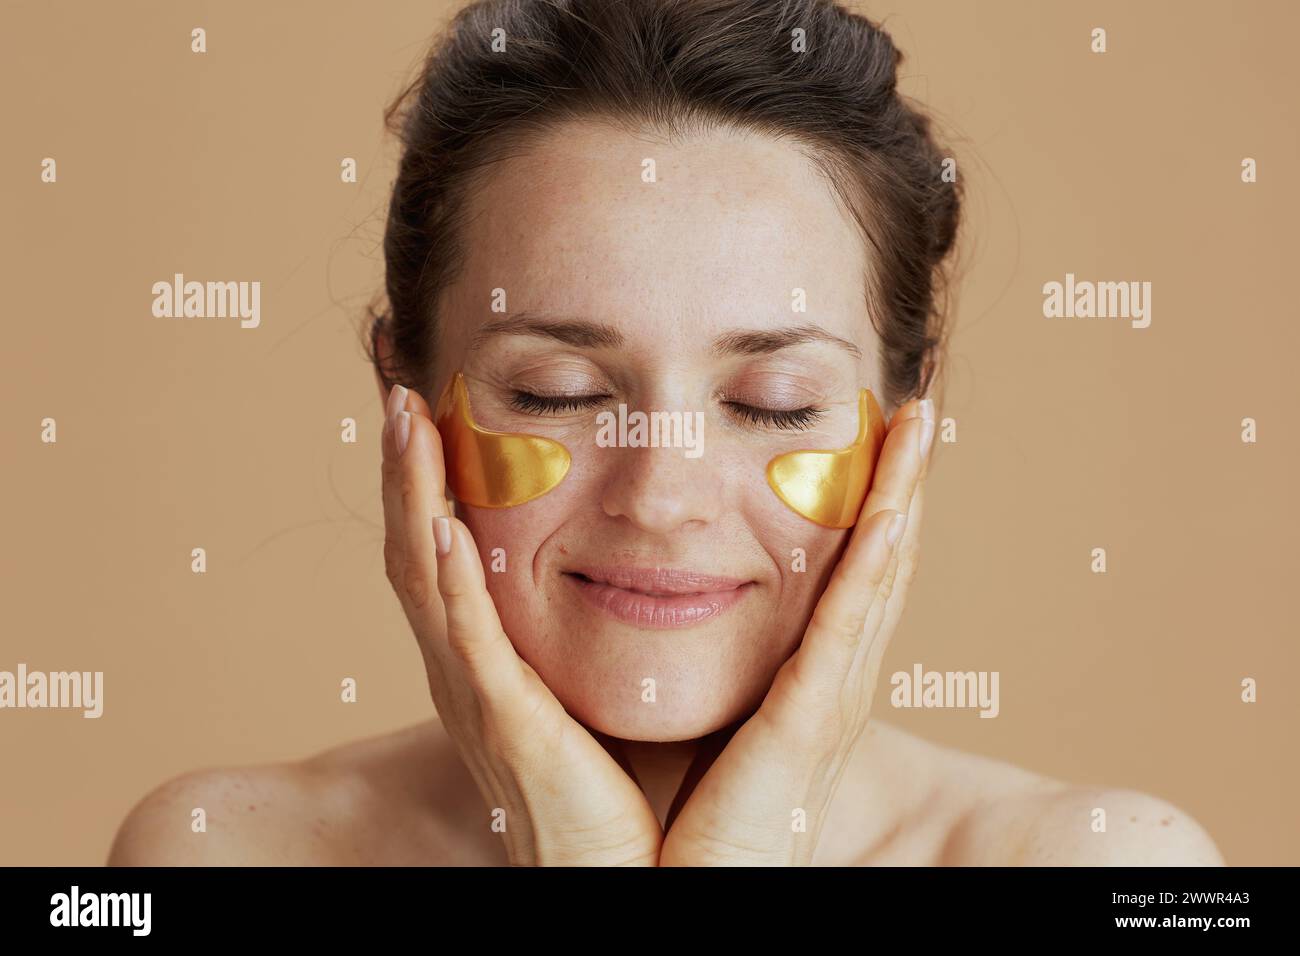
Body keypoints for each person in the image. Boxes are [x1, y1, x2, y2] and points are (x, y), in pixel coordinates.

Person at [109, 0, 1223, 866]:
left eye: (773, 401)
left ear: (906, 426)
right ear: (401, 387)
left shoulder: (1126, 867)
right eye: (553, 390)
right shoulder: (219, 848)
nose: (660, 493)